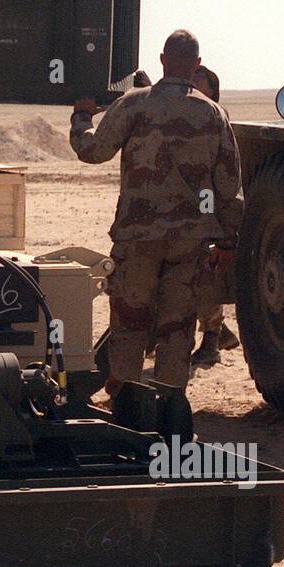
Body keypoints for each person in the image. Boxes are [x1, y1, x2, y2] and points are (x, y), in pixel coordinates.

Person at [70, 31, 243, 440]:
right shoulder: (214, 115)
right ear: (197, 65)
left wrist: (81, 117)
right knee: (177, 328)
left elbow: (92, 151)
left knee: (130, 323)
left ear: (163, 60)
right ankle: (170, 418)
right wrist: (228, 242)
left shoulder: (133, 105)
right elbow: (229, 188)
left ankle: (128, 416)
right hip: (189, 244)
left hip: (137, 240)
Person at [189, 64, 241, 367]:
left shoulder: (216, 119)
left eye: (201, 79)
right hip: (187, 211)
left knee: (206, 279)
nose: (194, 83)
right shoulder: (186, 112)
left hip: (210, 211)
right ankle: (217, 333)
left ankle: (212, 340)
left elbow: (227, 177)